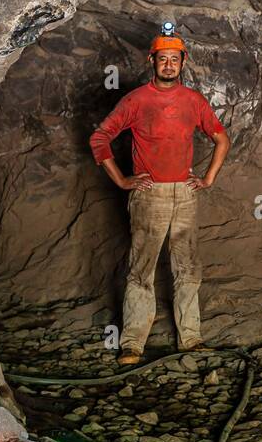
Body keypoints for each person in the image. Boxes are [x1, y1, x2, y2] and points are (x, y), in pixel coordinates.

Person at [88, 26, 230, 364]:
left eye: (174, 59)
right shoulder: (137, 100)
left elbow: (221, 139)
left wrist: (207, 178)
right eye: (162, 59)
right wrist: (122, 180)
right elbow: (99, 138)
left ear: (183, 63)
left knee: (188, 266)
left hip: (185, 193)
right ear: (152, 61)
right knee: (141, 268)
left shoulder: (193, 101)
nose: (168, 65)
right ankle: (133, 343)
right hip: (149, 194)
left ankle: (191, 339)